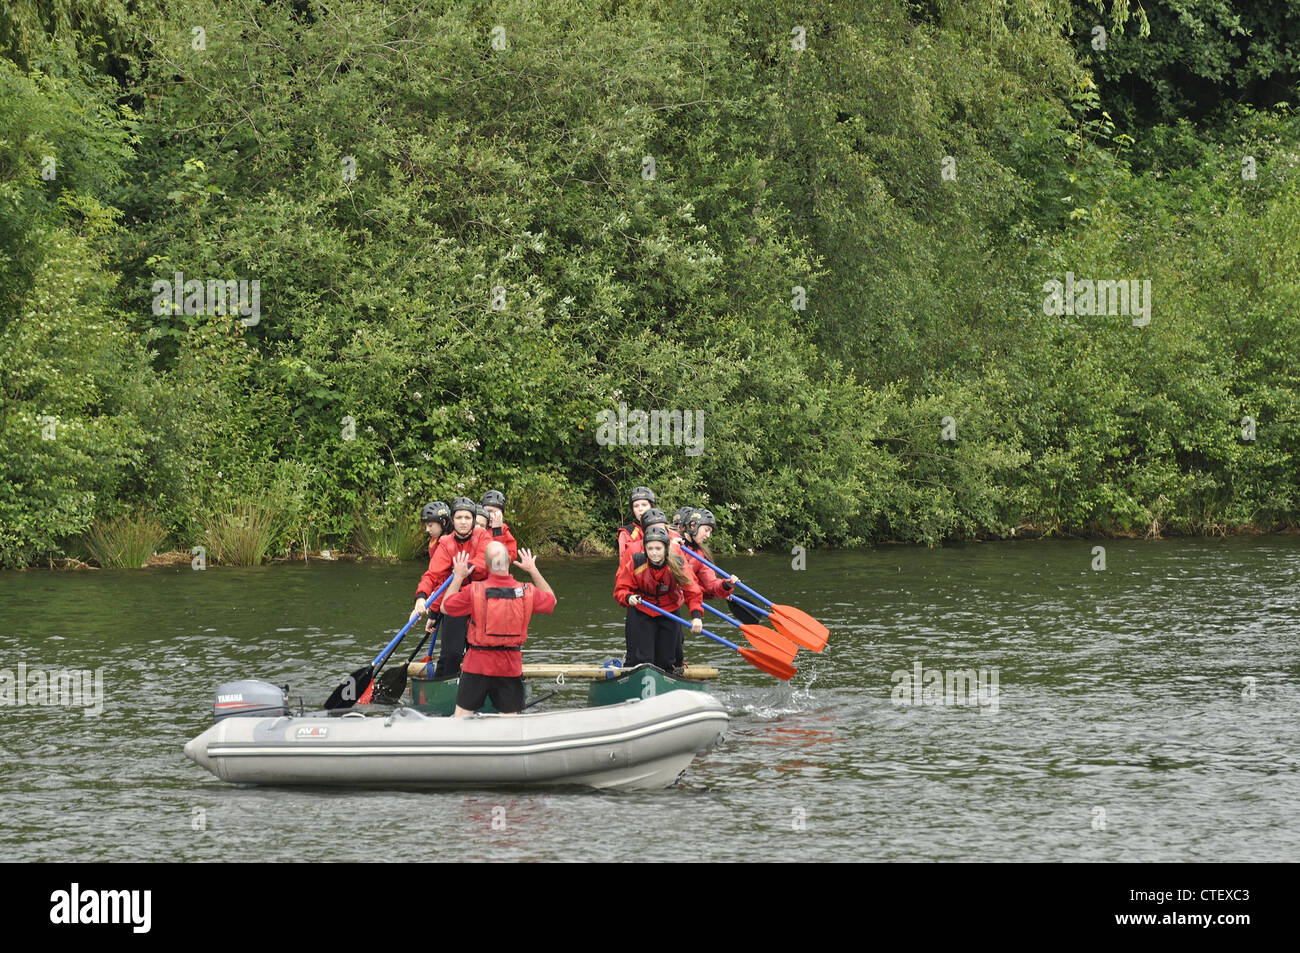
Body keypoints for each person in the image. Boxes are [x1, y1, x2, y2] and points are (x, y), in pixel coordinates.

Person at [441, 543, 556, 717]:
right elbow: (552, 601)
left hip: (477, 665)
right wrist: (533, 570)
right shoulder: (527, 591)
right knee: (510, 720)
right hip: (509, 666)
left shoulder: (474, 590)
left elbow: (445, 607)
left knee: (461, 717)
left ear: (486, 566)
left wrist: (458, 576)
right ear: (509, 562)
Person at [410, 497, 490, 678]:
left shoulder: (483, 536)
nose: (463, 522)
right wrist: (422, 598)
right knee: (451, 653)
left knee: (480, 651)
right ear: (452, 520)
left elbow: (483, 562)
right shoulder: (446, 543)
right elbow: (432, 575)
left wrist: (464, 568)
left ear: (473, 520)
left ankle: (484, 683)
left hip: (481, 599)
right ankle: (444, 684)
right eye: (459, 517)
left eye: (467, 518)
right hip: (457, 600)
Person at [614, 524, 703, 672]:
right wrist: (628, 597)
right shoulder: (637, 562)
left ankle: (671, 673)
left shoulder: (678, 564)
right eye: (650, 549)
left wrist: (696, 615)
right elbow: (621, 588)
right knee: (642, 658)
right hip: (642, 608)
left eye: (658, 549)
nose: (654, 553)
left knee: (667, 659)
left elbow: (692, 590)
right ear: (645, 549)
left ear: (666, 548)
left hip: (669, 609)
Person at [616, 486, 656, 559]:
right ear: (633, 510)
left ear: (651, 506)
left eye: (644, 505)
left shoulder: (662, 527)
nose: (640, 509)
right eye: (636, 506)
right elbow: (624, 562)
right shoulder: (626, 533)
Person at [479, 489, 519, 560]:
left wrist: (497, 532)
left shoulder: (504, 530)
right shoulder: (474, 527)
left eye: (496, 513)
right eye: (488, 511)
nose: (492, 516)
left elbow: (506, 558)